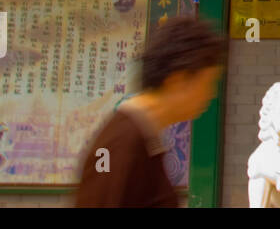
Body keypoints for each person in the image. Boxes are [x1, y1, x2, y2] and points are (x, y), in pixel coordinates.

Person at [75, 15, 226, 207]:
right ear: (177, 80)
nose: (211, 94)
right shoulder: (122, 141)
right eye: (208, 83)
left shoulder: (146, 135)